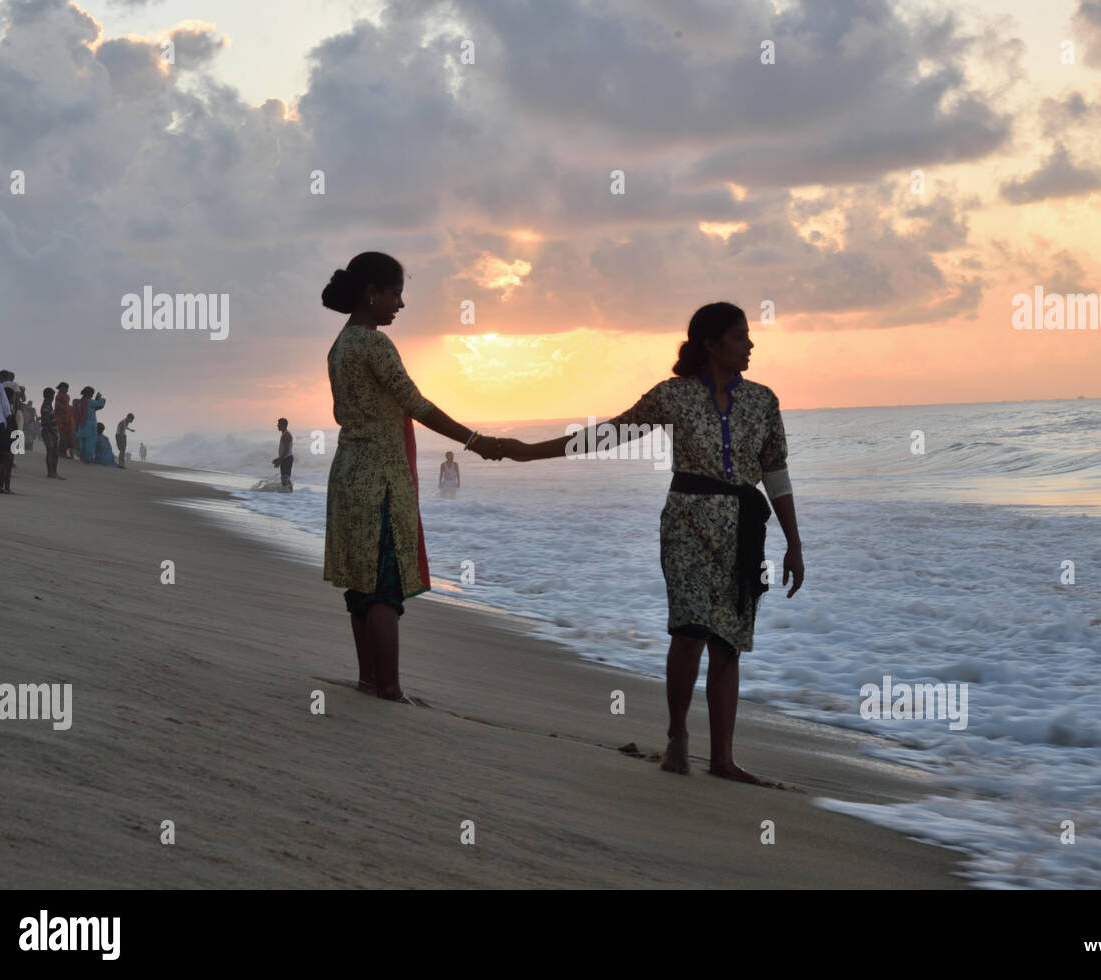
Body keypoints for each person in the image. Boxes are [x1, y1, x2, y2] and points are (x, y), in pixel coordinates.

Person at [509, 302, 804, 784]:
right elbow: (608, 434)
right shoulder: (674, 395)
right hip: (687, 521)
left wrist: (795, 543)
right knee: (689, 631)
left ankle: (724, 759)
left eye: (749, 336)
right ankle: (677, 734)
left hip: (743, 529)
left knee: (728, 643)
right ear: (711, 343)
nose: (750, 345)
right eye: (739, 336)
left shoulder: (764, 401)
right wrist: (529, 453)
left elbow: (775, 473)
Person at [321, 251, 504, 702]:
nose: (400, 304)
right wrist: (476, 440)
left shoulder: (340, 346)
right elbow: (417, 405)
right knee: (385, 588)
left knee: (361, 585)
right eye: (396, 293)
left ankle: (369, 679)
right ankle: (390, 688)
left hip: (348, 473)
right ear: (372, 292)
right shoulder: (373, 343)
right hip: (380, 479)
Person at [73, 386, 105, 463]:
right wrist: (100, 398)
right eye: (92, 394)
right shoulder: (89, 402)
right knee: (90, 443)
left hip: (81, 425)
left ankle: (82, 457)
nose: (92, 395)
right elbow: (100, 403)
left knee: (82, 443)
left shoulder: (79, 402)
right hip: (90, 425)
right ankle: (88, 459)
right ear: (89, 394)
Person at [39, 387, 63, 479]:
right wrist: (53, 432)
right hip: (48, 432)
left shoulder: (48, 405)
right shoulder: (45, 406)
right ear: (49, 396)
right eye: (52, 396)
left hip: (52, 431)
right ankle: (50, 473)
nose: (53, 398)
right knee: (50, 451)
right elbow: (46, 421)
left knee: (55, 452)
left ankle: (54, 472)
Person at [54, 382, 75, 459]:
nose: (67, 389)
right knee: (63, 436)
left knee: (68, 437)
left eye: (67, 388)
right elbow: (58, 407)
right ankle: (61, 452)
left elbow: (66, 407)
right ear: (61, 388)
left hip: (67, 419)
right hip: (61, 419)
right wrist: (65, 417)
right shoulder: (59, 396)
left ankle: (64, 452)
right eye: (65, 388)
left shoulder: (66, 396)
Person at [272, 418, 294, 489]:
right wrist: (279, 459)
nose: (277, 425)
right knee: (284, 479)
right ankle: (287, 496)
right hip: (285, 458)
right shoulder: (284, 434)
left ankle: (290, 493)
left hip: (287, 459)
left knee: (286, 479)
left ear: (283, 425)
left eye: (279, 424)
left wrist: (279, 460)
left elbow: (286, 450)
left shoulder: (286, 435)